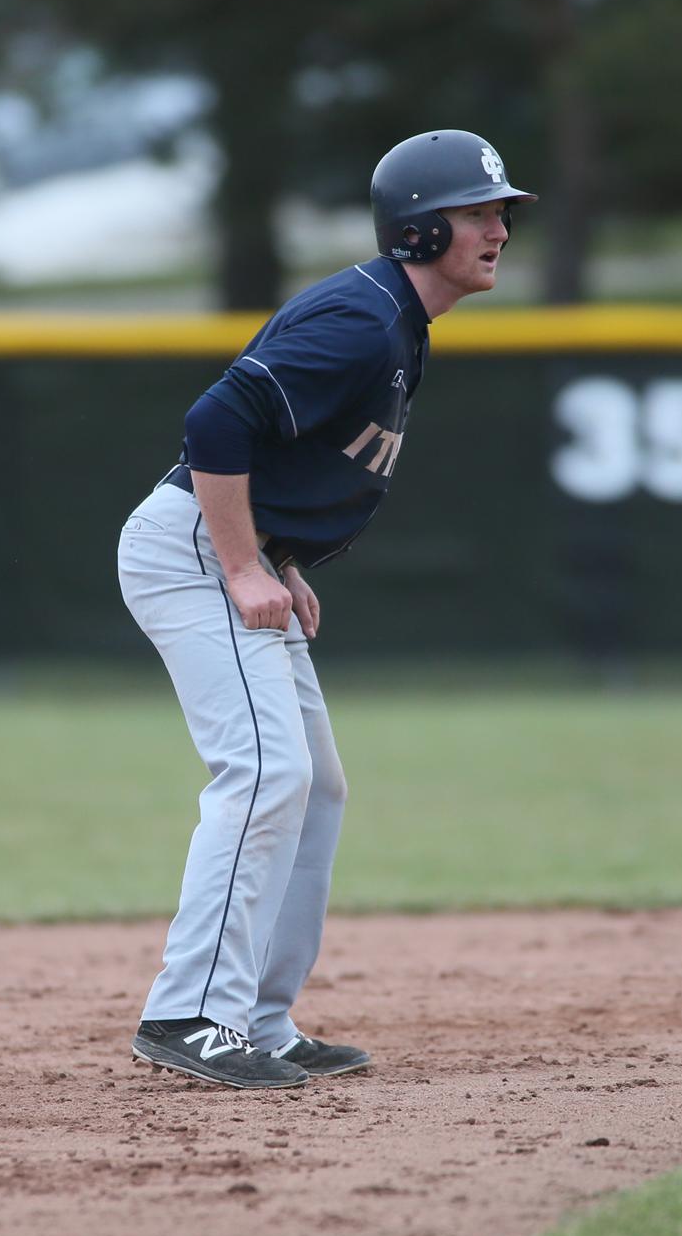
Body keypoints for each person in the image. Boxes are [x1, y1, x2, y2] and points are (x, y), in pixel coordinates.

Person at [117, 130, 537, 1088]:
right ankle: (188, 1013)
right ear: (422, 229)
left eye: (502, 212)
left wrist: (284, 555)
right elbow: (216, 422)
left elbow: (282, 446)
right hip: (192, 551)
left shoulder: (395, 320)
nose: (499, 229)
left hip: (236, 544)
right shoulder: (362, 317)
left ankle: (260, 1018)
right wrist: (240, 565)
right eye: (479, 213)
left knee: (316, 785)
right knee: (264, 770)